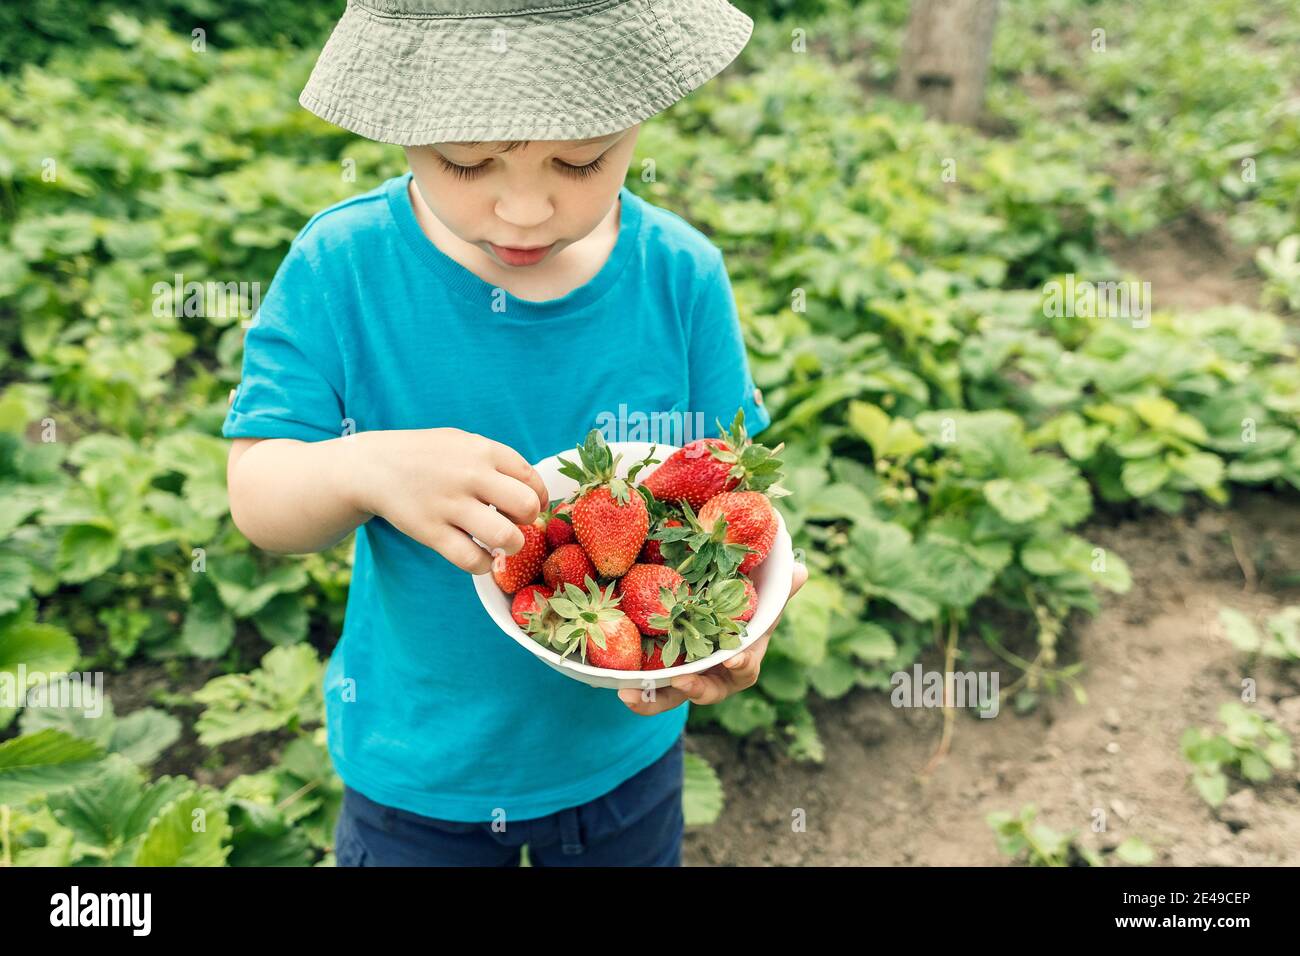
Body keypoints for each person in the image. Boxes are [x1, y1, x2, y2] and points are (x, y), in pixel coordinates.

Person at [223, 0, 807, 866]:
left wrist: (741, 621)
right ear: (401, 117)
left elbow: (735, 495)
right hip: (421, 772)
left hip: (625, 755)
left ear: (642, 114)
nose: (527, 210)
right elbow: (260, 500)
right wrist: (364, 466)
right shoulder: (342, 269)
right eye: (467, 161)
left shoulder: (679, 275)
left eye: (581, 160)